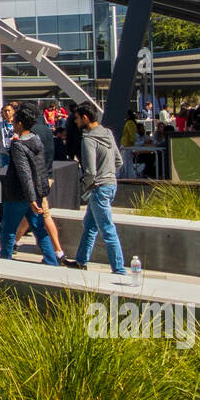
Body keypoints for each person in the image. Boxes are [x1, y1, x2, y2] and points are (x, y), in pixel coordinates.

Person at [66, 103, 128, 276]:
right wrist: (109, 175)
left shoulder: (89, 139)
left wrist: (85, 187)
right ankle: (81, 261)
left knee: (107, 229)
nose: (75, 122)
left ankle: (119, 269)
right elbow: (119, 161)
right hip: (110, 184)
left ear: (85, 117)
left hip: (98, 188)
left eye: (77, 118)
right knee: (90, 225)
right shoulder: (107, 133)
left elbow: (90, 171)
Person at [0, 101, 59, 264]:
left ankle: (5, 262)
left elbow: (24, 173)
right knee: (40, 230)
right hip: (36, 193)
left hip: (19, 195)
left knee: (8, 232)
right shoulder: (36, 140)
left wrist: (31, 199)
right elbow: (39, 168)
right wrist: (39, 194)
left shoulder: (19, 145)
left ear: (19, 123)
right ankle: (52, 262)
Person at [0, 103, 15, 170]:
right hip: (3, 154)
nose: (7, 113)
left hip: (14, 154)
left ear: (13, 111)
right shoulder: (0, 125)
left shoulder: (17, 124)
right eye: (5, 111)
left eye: (9, 110)